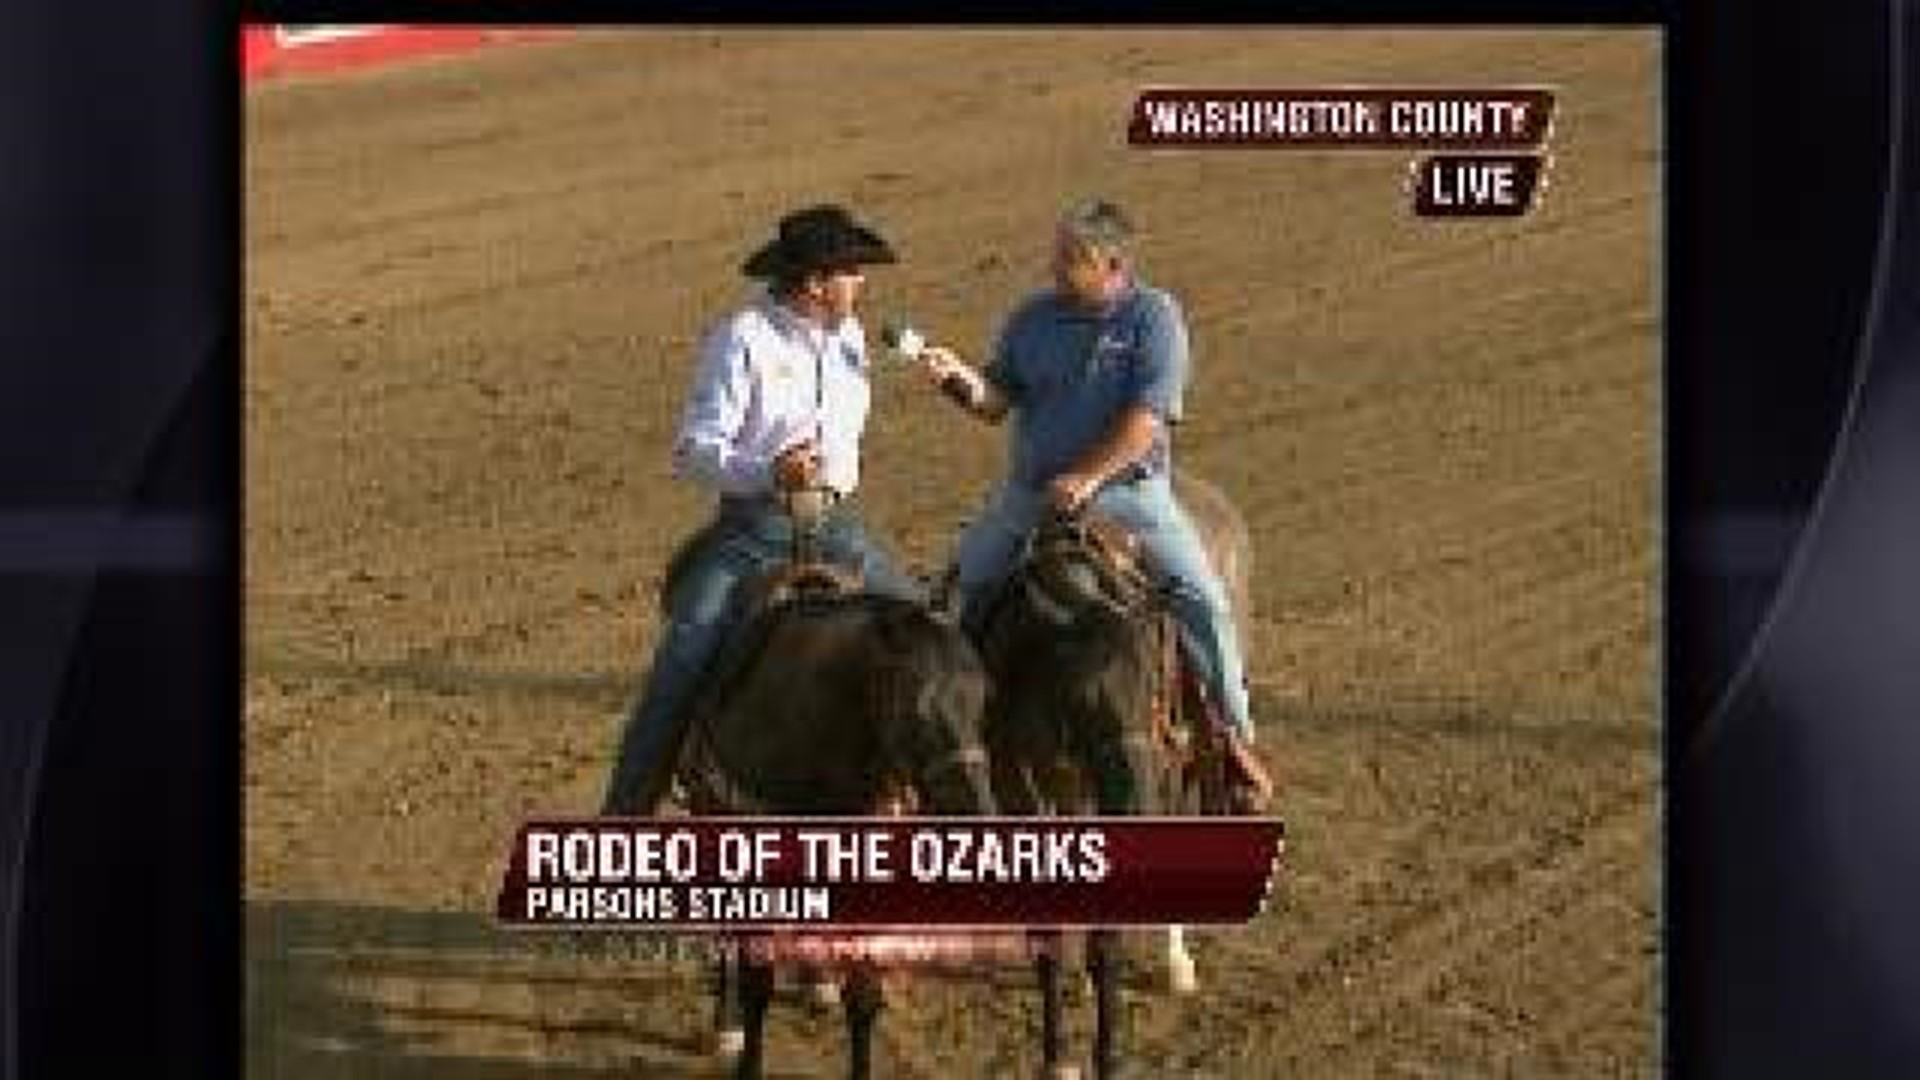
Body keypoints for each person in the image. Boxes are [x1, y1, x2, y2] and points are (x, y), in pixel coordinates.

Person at [918, 196, 1272, 803]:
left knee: (1204, 603)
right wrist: (956, 379)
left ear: (1112, 265)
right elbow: (997, 402)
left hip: (1131, 497)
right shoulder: (1032, 319)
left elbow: (1146, 423)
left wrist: (1085, 479)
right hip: (1032, 497)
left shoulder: (1153, 319)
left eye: (1069, 259)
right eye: (1057, 255)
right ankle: (959, 743)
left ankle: (1236, 739)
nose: (1054, 269)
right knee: (957, 597)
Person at [601, 204, 922, 816]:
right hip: (753, 533)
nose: (863, 282)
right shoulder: (742, 338)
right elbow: (694, 449)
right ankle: (622, 821)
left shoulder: (849, 337)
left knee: (931, 640)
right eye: (852, 271)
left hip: (836, 528)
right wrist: (768, 471)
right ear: (814, 283)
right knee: (684, 656)